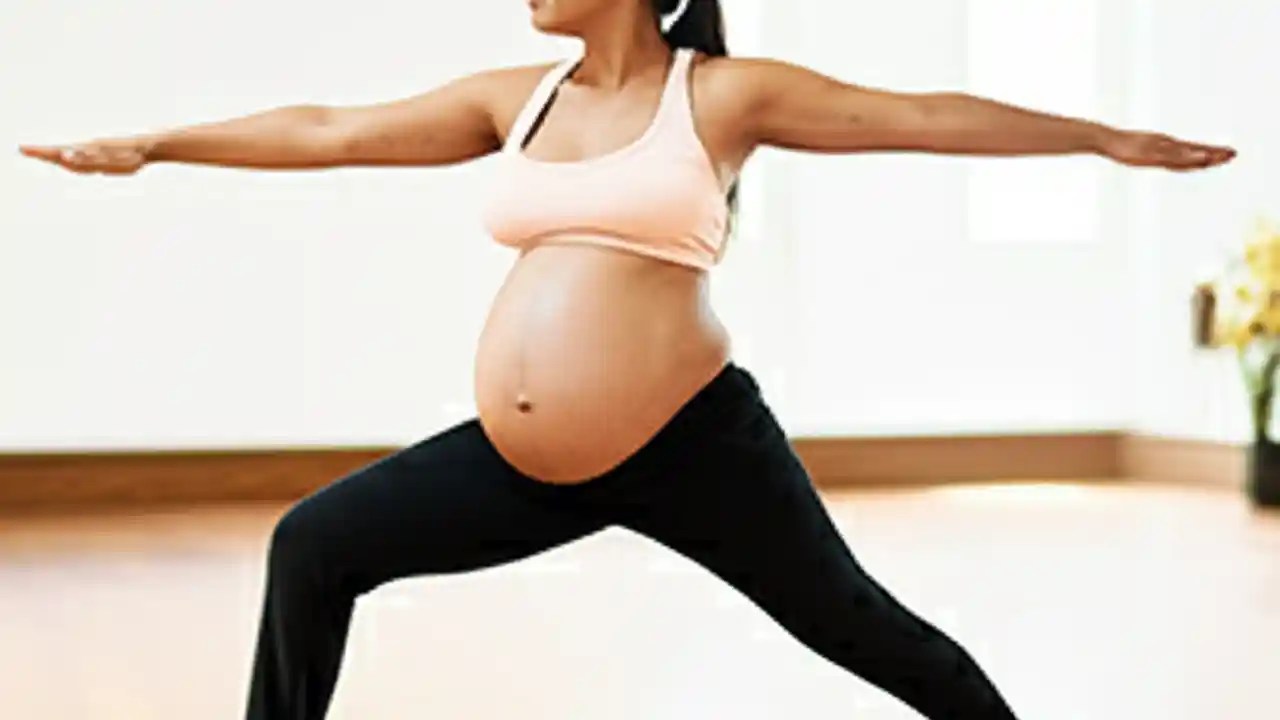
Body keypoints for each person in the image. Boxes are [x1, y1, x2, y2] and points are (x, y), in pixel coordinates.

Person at [19, 0, 1236, 718]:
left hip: (695, 444)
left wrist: (1103, 136)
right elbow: (333, 131)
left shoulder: (722, 94)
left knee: (864, 628)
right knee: (315, 545)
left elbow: (913, 116)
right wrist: (156, 144)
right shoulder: (520, 96)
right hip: (520, 457)